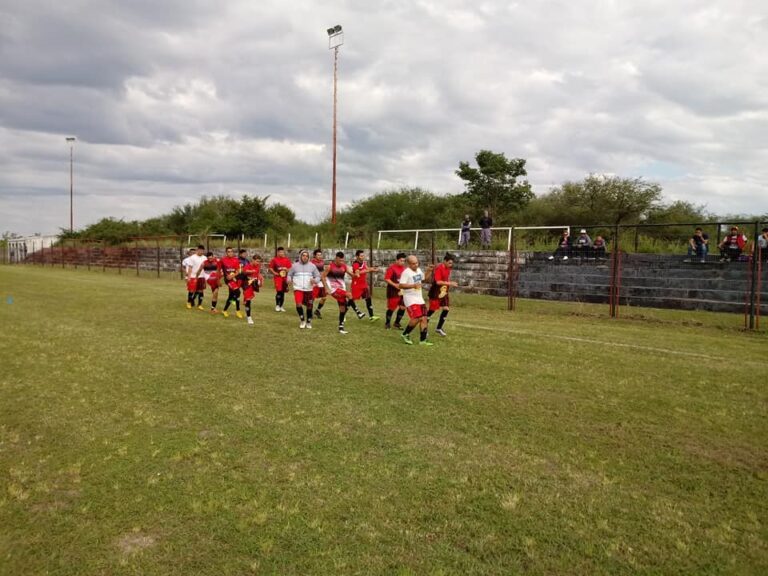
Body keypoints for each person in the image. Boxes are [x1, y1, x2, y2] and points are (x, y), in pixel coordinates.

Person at [399, 255, 434, 346]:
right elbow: (401, 285)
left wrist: (429, 271)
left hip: (419, 298)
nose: (416, 265)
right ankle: (405, 334)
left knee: (424, 318)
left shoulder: (418, 270)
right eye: (413, 264)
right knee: (417, 318)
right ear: (408, 264)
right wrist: (413, 286)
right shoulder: (406, 273)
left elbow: (424, 278)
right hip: (410, 299)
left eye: (417, 263)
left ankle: (423, 341)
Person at [288, 249, 322, 329]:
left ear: (309, 257)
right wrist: (289, 280)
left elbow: (318, 276)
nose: (305, 257)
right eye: (303, 255)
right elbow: (289, 274)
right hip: (298, 288)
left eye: (307, 256)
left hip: (309, 289)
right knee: (298, 304)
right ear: (300, 256)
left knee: (309, 307)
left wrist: (315, 280)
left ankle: (309, 321)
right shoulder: (295, 265)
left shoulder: (312, 266)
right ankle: (302, 320)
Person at [322, 251, 354, 334]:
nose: (341, 262)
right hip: (334, 290)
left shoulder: (344, 266)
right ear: (336, 258)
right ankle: (358, 312)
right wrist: (326, 288)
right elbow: (323, 277)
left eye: (343, 260)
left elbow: (353, 275)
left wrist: (359, 272)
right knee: (349, 295)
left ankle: (341, 328)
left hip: (341, 289)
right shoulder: (329, 267)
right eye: (340, 260)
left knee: (342, 309)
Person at [427, 253, 458, 337]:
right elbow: (438, 282)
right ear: (445, 261)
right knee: (431, 310)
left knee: (446, 309)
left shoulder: (448, 269)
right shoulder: (439, 268)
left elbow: (445, 279)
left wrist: (447, 286)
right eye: (449, 263)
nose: (451, 265)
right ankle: (424, 328)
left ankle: (439, 328)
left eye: (452, 263)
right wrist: (450, 283)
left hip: (443, 291)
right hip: (436, 292)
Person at [348, 249, 380, 321]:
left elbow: (367, 269)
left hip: (363, 285)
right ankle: (343, 314)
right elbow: (357, 274)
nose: (363, 257)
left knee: (368, 298)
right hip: (356, 285)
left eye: (363, 255)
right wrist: (368, 270)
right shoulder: (355, 264)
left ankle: (371, 316)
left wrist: (373, 269)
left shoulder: (363, 263)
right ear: (357, 256)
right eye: (361, 256)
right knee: (351, 300)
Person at [383, 252, 407, 330]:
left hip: (402, 291)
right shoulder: (391, 268)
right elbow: (387, 279)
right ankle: (387, 323)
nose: (402, 262)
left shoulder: (405, 269)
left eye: (404, 261)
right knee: (392, 308)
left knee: (403, 307)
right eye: (401, 260)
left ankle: (397, 323)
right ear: (396, 260)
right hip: (393, 291)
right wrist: (395, 285)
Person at [220, 246, 244, 319]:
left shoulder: (236, 260)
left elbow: (238, 271)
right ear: (226, 253)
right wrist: (218, 279)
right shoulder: (223, 260)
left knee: (231, 295)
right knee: (238, 292)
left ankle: (224, 310)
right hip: (228, 280)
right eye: (228, 251)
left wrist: (233, 275)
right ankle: (238, 310)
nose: (230, 253)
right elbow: (219, 270)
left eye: (231, 251)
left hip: (234, 279)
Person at [241, 253, 264, 325]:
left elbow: (258, 274)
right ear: (253, 260)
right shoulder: (248, 266)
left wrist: (261, 280)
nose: (258, 263)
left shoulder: (258, 266)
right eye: (257, 261)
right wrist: (251, 271)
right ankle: (249, 317)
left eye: (259, 261)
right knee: (248, 301)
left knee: (248, 298)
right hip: (246, 284)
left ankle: (245, 298)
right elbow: (244, 272)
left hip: (253, 283)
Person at [268, 246, 292, 312]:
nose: (282, 253)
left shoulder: (287, 260)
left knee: (283, 292)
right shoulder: (274, 260)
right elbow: (270, 267)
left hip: (285, 278)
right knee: (279, 291)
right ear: (278, 252)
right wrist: (274, 273)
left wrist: (287, 269)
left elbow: (290, 268)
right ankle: (277, 305)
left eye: (282, 252)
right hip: (278, 278)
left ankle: (281, 306)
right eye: (280, 252)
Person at [184, 245, 206, 310]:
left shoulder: (205, 258)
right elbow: (190, 268)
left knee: (201, 291)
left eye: (202, 250)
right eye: (200, 250)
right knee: (191, 290)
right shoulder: (192, 257)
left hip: (201, 276)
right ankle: (189, 303)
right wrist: (189, 277)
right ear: (197, 250)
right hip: (193, 277)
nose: (201, 252)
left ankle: (199, 304)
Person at [311, 249, 328, 319]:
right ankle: (309, 311)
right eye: (318, 255)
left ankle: (317, 310)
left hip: (321, 281)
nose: (320, 256)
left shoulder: (322, 262)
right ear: (315, 255)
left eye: (320, 255)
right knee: (312, 298)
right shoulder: (311, 262)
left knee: (324, 297)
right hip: (315, 281)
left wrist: (324, 276)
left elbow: (323, 271)